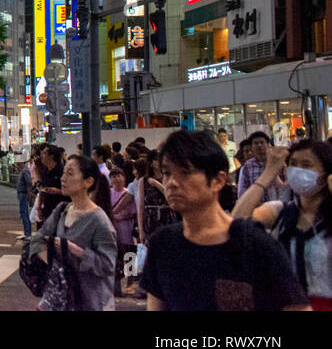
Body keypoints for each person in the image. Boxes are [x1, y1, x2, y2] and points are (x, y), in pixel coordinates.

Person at [141, 129, 309, 311]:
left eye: (184, 172)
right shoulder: (163, 244)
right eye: (166, 173)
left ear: (218, 180)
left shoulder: (255, 244)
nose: (171, 182)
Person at [233, 139, 332, 310]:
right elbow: (236, 222)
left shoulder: (327, 219)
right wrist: (268, 173)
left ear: (325, 176)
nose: (298, 170)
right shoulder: (281, 212)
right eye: (293, 164)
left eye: (307, 165)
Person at [27, 154, 117, 311]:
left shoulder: (99, 221)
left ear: (88, 182)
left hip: (90, 302)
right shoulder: (62, 210)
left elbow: (107, 266)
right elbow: (37, 240)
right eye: (63, 173)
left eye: (70, 173)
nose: (63, 178)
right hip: (61, 300)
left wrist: (76, 251)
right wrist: (55, 266)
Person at [109, 167, 137, 296]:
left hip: (127, 229)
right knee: (116, 257)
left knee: (130, 256)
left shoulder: (128, 193)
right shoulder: (108, 193)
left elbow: (134, 213)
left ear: (124, 178)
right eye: (113, 176)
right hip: (113, 231)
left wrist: (121, 217)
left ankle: (130, 284)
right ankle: (116, 285)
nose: (116, 178)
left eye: (119, 175)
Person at [237, 131, 284, 204]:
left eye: (262, 142)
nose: (259, 145)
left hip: (277, 206)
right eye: (256, 143)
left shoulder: (278, 162)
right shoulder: (248, 165)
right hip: (256, 208)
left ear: (268, 145)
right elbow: (244, 187)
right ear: (252, 147)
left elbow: (285, 186)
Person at [36, 145, 66, 223]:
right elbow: (42, 190)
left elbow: (72, 192)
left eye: (45, 153)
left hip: (61, 210)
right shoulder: (44, 172)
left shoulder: (62, 171)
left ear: (51, 156)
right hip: (47, 209)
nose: (42, 156)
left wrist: (58, 191)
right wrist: (39, 207)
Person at [16, 150, 34, 239]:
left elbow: (29, 183)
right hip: (21, 194)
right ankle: (26, 233)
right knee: (23, 213)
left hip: (23, 194)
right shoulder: (23, 170)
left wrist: (29, 195)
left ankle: (28, 233)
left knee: (24, 213)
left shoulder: (25, 171)